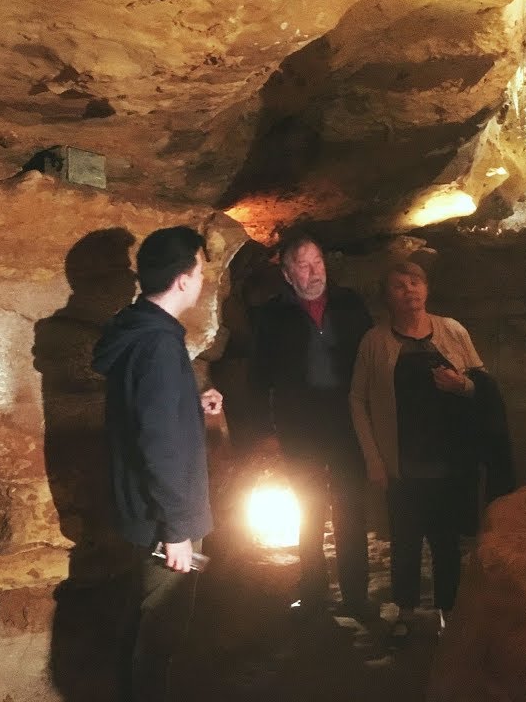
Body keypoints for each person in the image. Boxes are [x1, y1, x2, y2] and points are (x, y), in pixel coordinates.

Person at [349, 260, 514, 645]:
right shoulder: (375, 342)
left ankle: (447, 612)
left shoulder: (452, 330)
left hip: (449, 459)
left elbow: (482, 384)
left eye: (415, 282)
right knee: (404, 540)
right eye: (399, 286)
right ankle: (405, 611)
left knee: (446, 540)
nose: (410, 291)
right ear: (387, 298)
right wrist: (373, 458)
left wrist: (463, 387)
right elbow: (357, 399)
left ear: (427, 287)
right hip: (402, 460)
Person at [92, 225, 224, 702]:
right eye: (201, 269)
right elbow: (161, 447)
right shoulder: (161, 346)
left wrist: (191, 402)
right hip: (162, 522)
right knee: (161, 635)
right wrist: (178, 530)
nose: (204, 279)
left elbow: (147, 415)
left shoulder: (138, 331)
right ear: (183, 278)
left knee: (144, 623)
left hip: (141, 512)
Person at [250, 231, 375, 621]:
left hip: (347, 424)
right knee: (309, 510)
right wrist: (265, 434)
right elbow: (258, 379)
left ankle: (356, 596)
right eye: (303, 265)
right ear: (288, 275)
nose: (313, 271)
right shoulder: (271, 316)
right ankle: (315, 593)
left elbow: (372, 361)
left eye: (317, 262)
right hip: (299, 429)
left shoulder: (350, 304)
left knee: (351, 510)